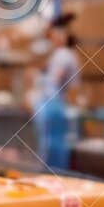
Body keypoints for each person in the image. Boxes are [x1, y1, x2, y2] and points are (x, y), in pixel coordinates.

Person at [34, 12, 80, 170]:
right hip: (53, 103)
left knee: (53, 145)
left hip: (53, 104)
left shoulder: (64, 55)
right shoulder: (62, 55)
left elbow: (55, 79)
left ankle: (53, 174)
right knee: (52, 143)